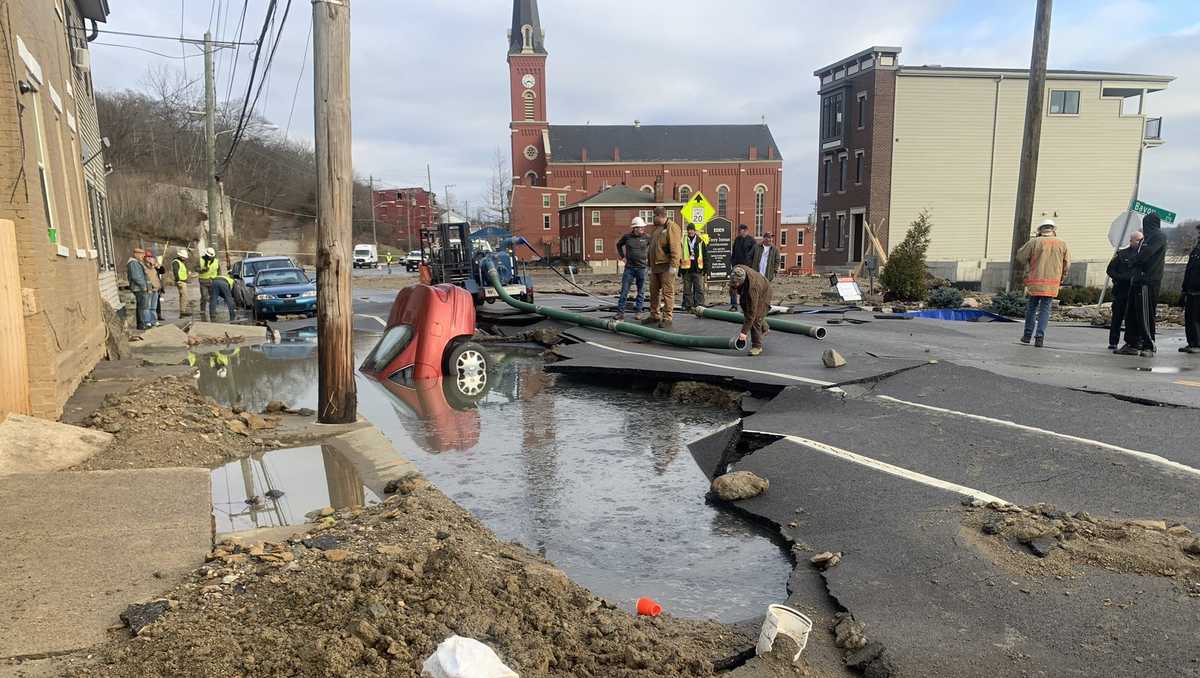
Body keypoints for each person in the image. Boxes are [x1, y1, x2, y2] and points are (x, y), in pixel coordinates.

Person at [1116, 212, 1168, 355]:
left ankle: (1148, 345)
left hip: (1148, 281)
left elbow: (1146, 254)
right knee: (1131, 313)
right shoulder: (1146, 238)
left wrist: (1133, 261)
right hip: (1137, 280)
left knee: (1145, 314)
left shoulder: (1158, 237)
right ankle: (1132, 343)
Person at [1014, 218, 1070, 348]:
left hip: (1035, 280)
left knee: (1032, 308)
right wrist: (1062, 278)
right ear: (1053, 230)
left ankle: (1027, 335)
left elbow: (1020, 256)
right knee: (1045, 309)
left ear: (1040, 230)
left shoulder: (1034, 242)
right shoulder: (1062, 244)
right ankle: (1040, 337)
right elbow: (1067, 263)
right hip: (1052, 282)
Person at [645, 206, 683, 329]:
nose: (653, 218)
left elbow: (675, 248)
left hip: (666, 266)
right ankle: (654, 314)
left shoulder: (672, 227)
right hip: (656, 266)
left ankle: (667, 317)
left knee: (667, 292)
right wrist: (649, 266)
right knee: (653, 292)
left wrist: (674, 266)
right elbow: (651, 248)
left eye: (654, 216)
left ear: (660, 216)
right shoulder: (657, 230)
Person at [1105, 231, 1142, 350]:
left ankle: (1133, 341)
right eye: (1137, 240)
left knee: (1133, 319)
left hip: (1135, 291)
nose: (1140, 243)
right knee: (1117, 318)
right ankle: (1113, 342)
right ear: (1131, 240)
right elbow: (1110, 270)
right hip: (1121, 290)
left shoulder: (1143, 255)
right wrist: (1121, 278)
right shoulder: (1121, 254)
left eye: (1141, 240)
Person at [729, 264, 770, 356]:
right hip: (748, 286)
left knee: (755, 318)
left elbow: (751, 313)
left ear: (742, 281)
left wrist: (743, 333)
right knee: (745, 308)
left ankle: (757, 346)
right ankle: (764, 327)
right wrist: (733, 290)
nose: (735, 285)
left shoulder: (753, 289)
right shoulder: (736, 271)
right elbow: (733, 286)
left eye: (737, 284)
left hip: (764, 292)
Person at [614, 216, 650, 320]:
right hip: (629, 268)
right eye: (640, 228)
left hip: (642, 268)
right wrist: (622, 257)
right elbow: (618, 245)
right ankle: (620, 312)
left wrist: (649, 260)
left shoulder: (647, 237)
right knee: (624, 290)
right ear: (634, 228)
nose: (643, 229)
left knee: (641, 291)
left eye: (643, 227)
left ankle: (638, 311)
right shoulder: (627, 237)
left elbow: (653, 247)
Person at [1180, 220, 1200, 354]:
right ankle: (1192, 342)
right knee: (1190, 318)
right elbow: (1190, 269)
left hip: (1198, 290)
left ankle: (1197, 344)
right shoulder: (1197, 248)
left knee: (1196, 318)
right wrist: (1184, 288)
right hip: (1191, 289)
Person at [680, 223, 709, 311]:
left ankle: (699, 305)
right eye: (689, 230)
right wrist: (679, 270)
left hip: (697, 269)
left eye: (692, 229)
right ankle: (688, 305)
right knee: (687, 289)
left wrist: (705, 268)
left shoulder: (700, 241)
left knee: (699, 288)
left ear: (694, 230)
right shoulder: (683, 241)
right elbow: (680, 255)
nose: (690, 231)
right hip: (686, 269)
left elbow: (705, 255)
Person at [729, 224, 756, 310]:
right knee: (733, 286)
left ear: (745, 230)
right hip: (736, 267)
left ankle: (747, 306)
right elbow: (733, 253)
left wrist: (750, 267)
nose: (740, 232)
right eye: (739, 230)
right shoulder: (737, 240)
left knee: (747, 287)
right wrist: (733, 263)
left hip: (747, 268)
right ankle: (734, 305)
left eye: (741, 230)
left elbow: (753, 255)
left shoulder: (752, 241)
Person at [126, 247, 153, 330]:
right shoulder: (133, 263)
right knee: (143, 307)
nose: (142, 256)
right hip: (139, 288)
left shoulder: (136, 262)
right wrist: (143, 286)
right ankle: (142, 324)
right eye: (141, 254)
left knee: (141, 306)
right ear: (136, 254)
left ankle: (142, 324)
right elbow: (136, 277)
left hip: (140, 288)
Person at [197, 247, 220, 315]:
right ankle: (202, 310)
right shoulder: (201, 260)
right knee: (204, 297)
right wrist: (202, 270)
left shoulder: (216, 261)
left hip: (213, 281)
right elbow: (196, 268)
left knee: (213, 297)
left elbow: (219, 270)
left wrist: (219, 278)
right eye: (209, 256)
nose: (210, 258)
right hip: (203, 281)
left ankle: (213, 310)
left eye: (211, 256)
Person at [144, 252, 165, 323]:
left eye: (150, 256)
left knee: (155, 305)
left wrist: (158, 266)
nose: (149, 258)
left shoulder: (155, 265)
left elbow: (162, 271)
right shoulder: (144, 266)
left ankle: (156, 318)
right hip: (149, 288)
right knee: (148, 306)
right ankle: (148, 321)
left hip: (156, 287)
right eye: (148, 257)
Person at [172, 249, 191, 318]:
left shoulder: (181, 262)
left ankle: (183, 310)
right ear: (180, 256)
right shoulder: (176, 262)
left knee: (183, 296)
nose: (185, 258)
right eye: (184, 257)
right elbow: (175, 272)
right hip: (180, 281)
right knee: (184, 296)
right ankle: (183, 311)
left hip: (183, 281)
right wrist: (178, 281)